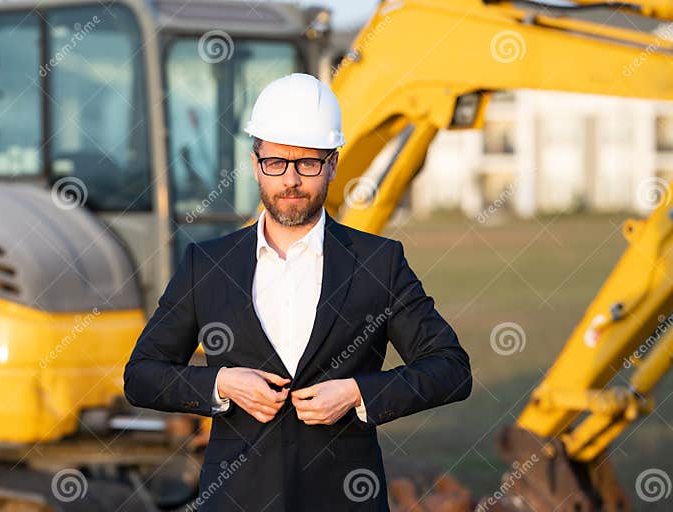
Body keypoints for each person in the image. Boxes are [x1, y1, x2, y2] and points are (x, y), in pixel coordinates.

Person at [123, 73, 472, 511]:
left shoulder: (378, 262)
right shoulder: (206, 265)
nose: (290, 180)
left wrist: (357, 394)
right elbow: (141, 375)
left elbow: (451, 369)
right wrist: (222, 382)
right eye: (276, 164)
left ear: (332, 164)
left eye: (307, 163)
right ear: (255, 164)